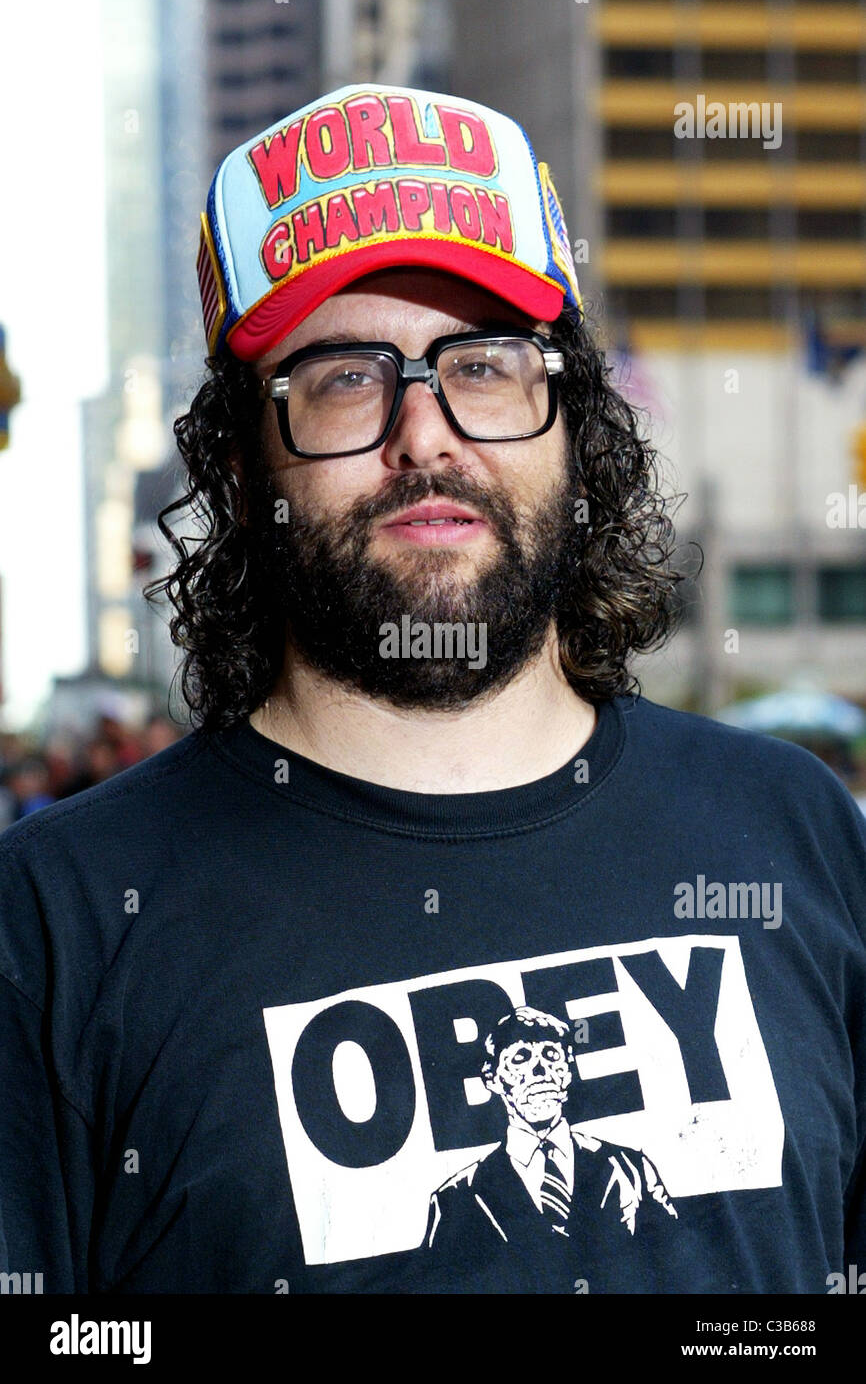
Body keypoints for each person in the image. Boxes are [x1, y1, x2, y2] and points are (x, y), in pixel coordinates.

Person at [0, 83, 864, 1296]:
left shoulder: (799, 831)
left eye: (485, 364)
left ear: (570, 423)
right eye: (347, 376)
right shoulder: (56, 921)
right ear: (246, 467)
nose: (425, 434)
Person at [424, 1007, 678, 1291]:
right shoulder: (455, 1199)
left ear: (568, 1071)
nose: (539, 1069)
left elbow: (679, 1264)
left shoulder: (632, 1168)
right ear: (492, 1077)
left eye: (551, 1055)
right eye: (520, 1058)